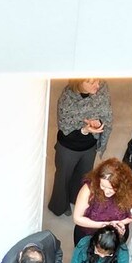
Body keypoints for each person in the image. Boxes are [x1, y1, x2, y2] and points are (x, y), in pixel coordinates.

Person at [47, 78, 114, 216]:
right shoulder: (66, 101)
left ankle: (76, 198)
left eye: (97, 80)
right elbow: (66, 130)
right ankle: (59, 206)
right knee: (63, 179)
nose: (98, 85)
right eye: (91, 82)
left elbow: (106, 114)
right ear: (78, 83)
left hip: (90, 146)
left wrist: (98, 122)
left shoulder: (102, 89)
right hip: (68, 147)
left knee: (83, 177)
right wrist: (85, 130)